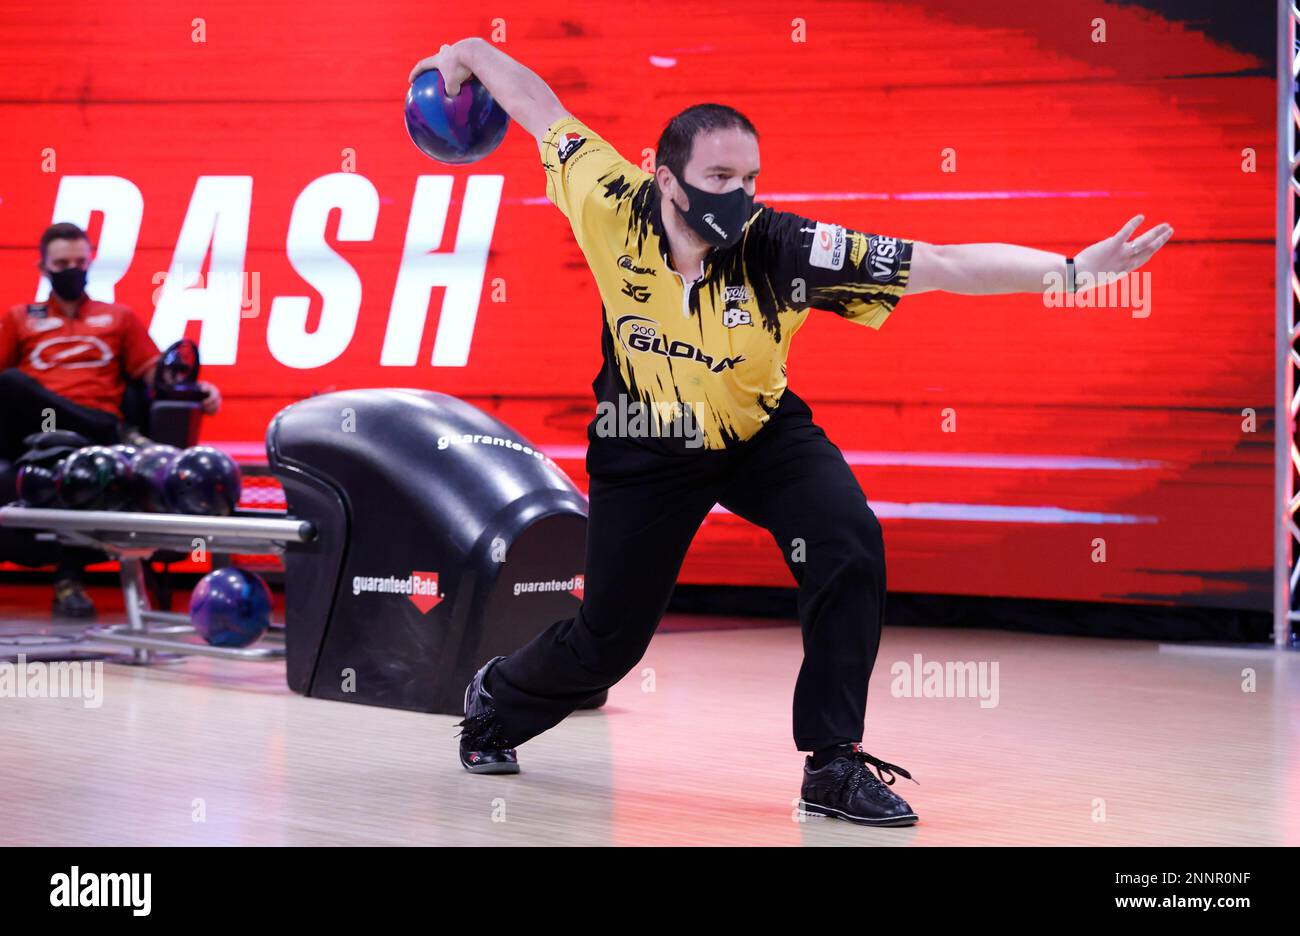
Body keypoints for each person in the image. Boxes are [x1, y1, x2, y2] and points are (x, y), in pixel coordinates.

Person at [410, 38, 1173, 826]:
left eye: (749, 179)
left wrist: (1074, 272)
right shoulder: (608, 199)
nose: (737, 196)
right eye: (717, 179)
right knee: (610, 643)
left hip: (758, 434)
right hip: (645, 444)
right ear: (665, 180)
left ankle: (833, 764)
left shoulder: (785, 250)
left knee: (847, 538)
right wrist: (467, 50)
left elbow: (941, 262)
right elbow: (539, 107)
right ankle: (497, 698)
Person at [0, 222, 223, 617]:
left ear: (90, 263)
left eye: (79, 262)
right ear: (43, 268)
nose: (72, 269)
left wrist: (196, 387)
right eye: (62, 263)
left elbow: (155, 373)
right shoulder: (20, 318)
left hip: (88, 441)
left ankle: (69, 582)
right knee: (14, 383)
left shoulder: (117, 317)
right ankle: (117, 435)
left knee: (82, 467)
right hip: (41, 429)